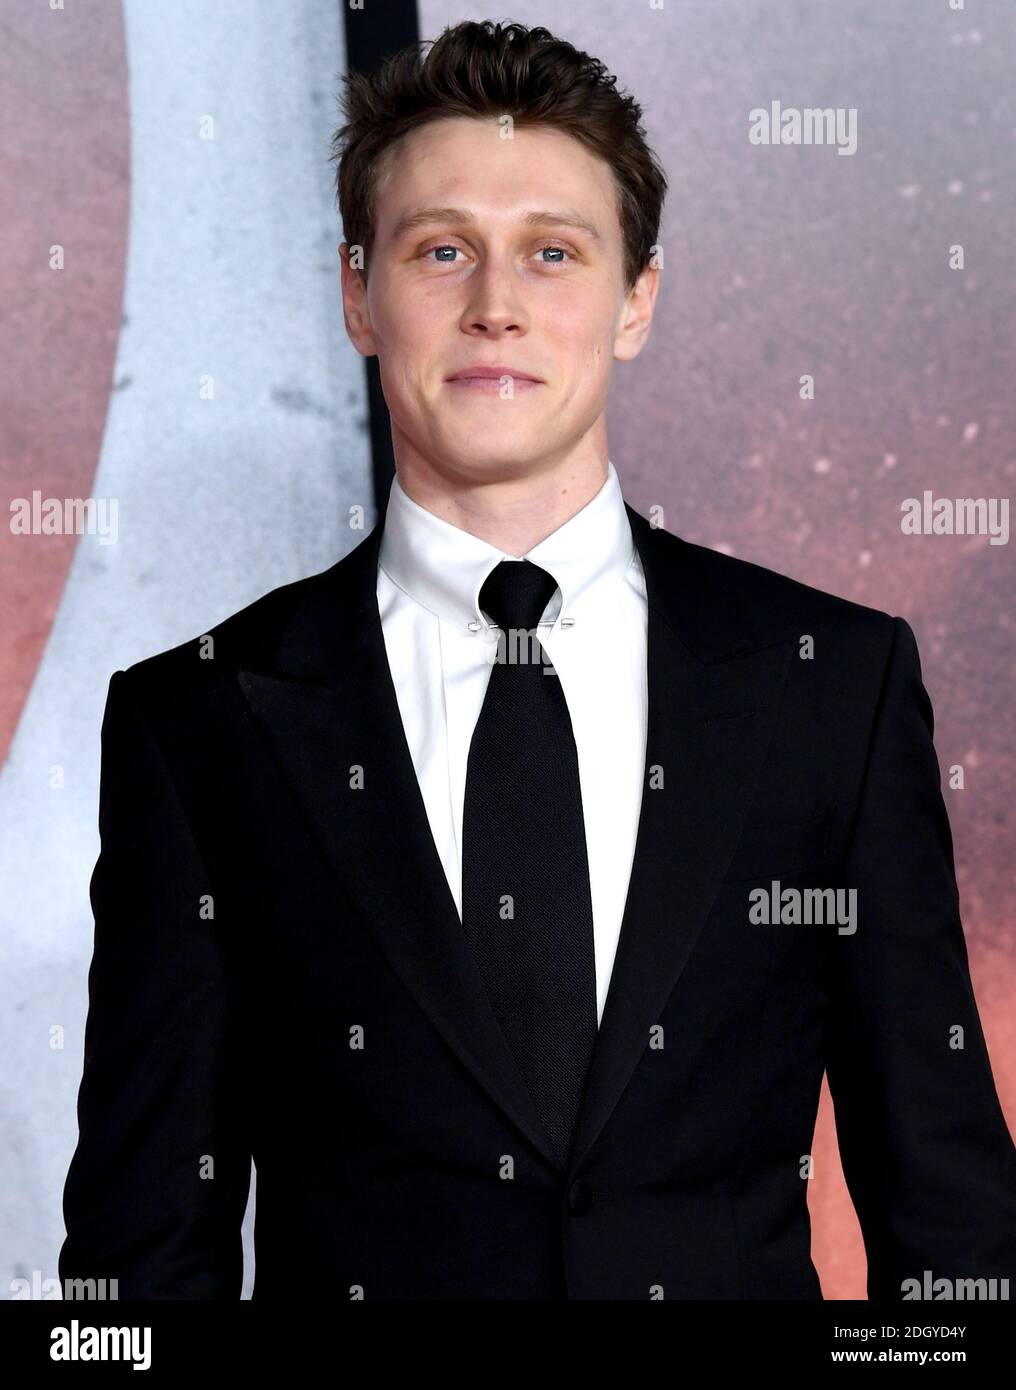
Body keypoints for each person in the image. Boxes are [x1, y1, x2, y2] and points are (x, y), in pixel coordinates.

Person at [59, 19, 1016, 1301]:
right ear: (357, 292)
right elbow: (133, 1282)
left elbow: (951, 1234)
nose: (493, 303)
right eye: (440, 248)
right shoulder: (199, 722)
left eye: (551, 253)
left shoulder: (826, 688)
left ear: (636, 299)